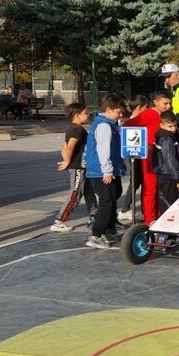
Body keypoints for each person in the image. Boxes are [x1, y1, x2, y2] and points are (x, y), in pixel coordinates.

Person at [119, 90, 171, 225]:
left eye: (169, 103)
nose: (168, 106)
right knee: (150, 187)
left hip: (161, 155)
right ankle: (150, 219)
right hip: (149, 156)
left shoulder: (164, 115)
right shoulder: (148, 114)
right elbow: (127, 126)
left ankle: (157, 215)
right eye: (165, 103)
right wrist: (143, 144)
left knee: (159, 187)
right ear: (156, 102)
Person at [85, 94, 127, 249]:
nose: (121, 115)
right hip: (100, 172)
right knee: (106, 202)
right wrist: (107, 171)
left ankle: (107, 229)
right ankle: (96, 234)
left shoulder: (110, 123)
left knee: (114, 194)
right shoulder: (103, 125)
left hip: (105, 171)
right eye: (118, 112)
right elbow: (103, 150)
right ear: (108, 110)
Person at [51, 103, 96, 232]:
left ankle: (94, 216)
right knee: (75, 195)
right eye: (86, 113)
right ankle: (59, 221)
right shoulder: (78, 129)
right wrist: (67, 161)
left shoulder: (72, 128)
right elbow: (70, 146)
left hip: (82, 166)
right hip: (78, 167)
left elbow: (63, 146)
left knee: (89, 192)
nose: (88, 115)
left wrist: (66, 159)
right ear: (77, 115)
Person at [115, 95, 150, 221]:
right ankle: (125, 209)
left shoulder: (131, 120)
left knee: (138, 181)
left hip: (139, 155)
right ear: (140, 107)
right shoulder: (135, 121)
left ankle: (139, 209)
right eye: (146, 107)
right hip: (137, 155)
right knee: (135, 181)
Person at [154, 111, 179, 211]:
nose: (173, 129)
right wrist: (178, 178)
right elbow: (169, 160)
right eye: (170, 126)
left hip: (164, 174)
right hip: (169, 175)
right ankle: (168, 225)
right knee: (170, 203)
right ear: (162, 125)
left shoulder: (164, 135)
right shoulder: (167, 139)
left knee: (165, 201)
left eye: (175, 125)